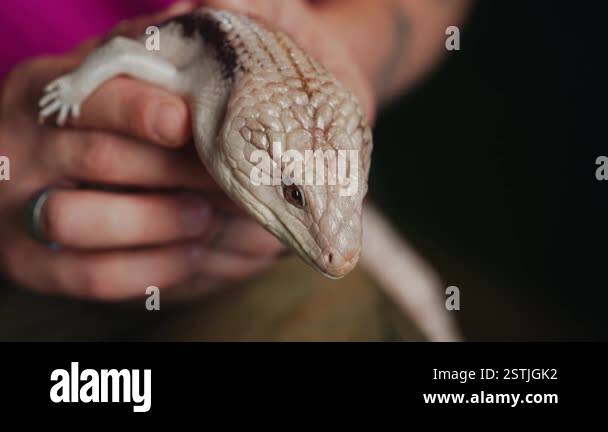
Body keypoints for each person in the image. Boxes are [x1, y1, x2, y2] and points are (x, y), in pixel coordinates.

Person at [0, 0, 470, 340]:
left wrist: (352, 52)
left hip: (241, 259)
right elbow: (122, 55)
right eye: (292, 194)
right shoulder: (189, 73)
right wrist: (70, 95)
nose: (339, 255)